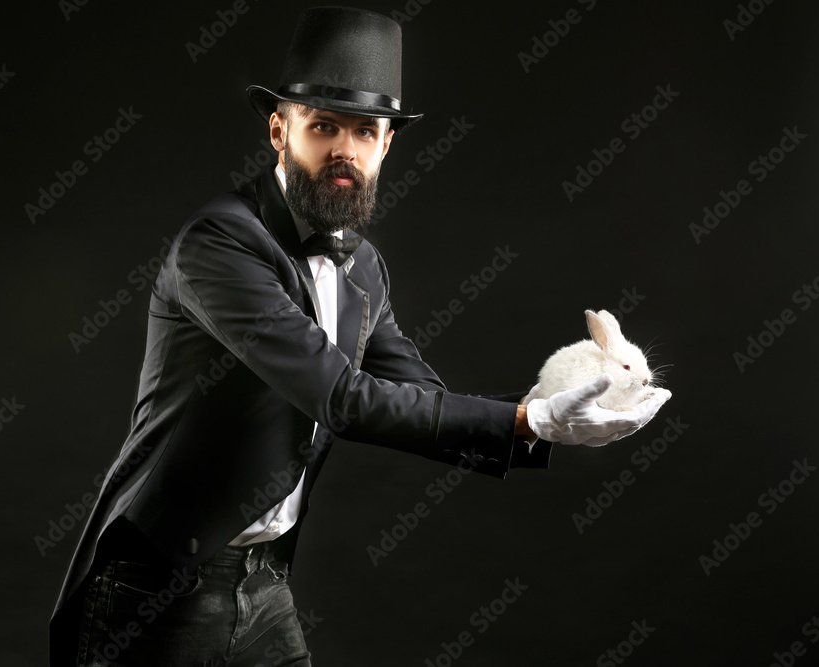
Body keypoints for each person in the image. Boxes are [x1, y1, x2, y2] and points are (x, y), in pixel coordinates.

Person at [49, 7, 671, 666]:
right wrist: (531, 421)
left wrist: (555, 408)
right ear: (278, 130)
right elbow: (342, 398)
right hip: (156, 583)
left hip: (264, 584)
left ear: (386, 145)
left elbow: (420, 396)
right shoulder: (220, 245)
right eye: (323, 126)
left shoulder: (366, 268)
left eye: (365, 131)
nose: (346, 148)